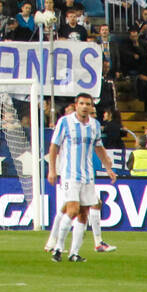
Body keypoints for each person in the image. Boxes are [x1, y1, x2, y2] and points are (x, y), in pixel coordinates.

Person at [44, 93, 117, 263]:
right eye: (82, 103)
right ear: (76, 105)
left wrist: (108, 168)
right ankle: (58, 248)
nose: (85, 106)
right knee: (72, 210)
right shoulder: (65, 122)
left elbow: (99, 147)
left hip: (88, 176)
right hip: (70, 175)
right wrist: (52, 170)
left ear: (92, 107)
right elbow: (54, 147)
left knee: (84, 214)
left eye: (88, 104)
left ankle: (74, 253)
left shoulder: (94, 125)